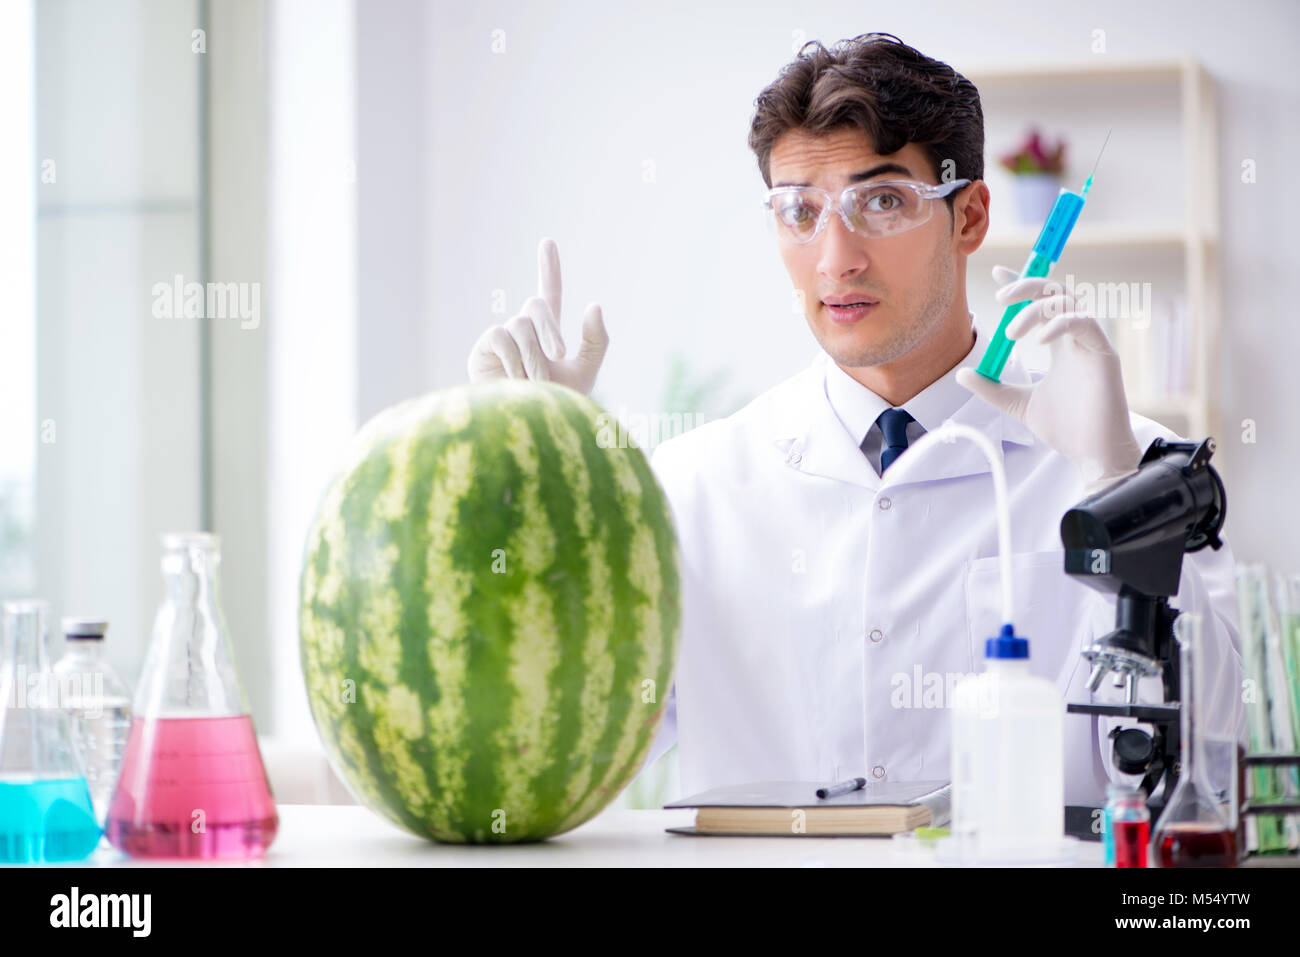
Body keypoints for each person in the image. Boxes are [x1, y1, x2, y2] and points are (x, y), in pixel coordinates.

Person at [466, 33, 1245, 806]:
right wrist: (536, 484)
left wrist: (1116, 492)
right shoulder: (691, 488)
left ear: (968, 217)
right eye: (799, 210)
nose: (836, 257)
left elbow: (1218, 760)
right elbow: (549, 759)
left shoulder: (1131, 466)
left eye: (881, 201)